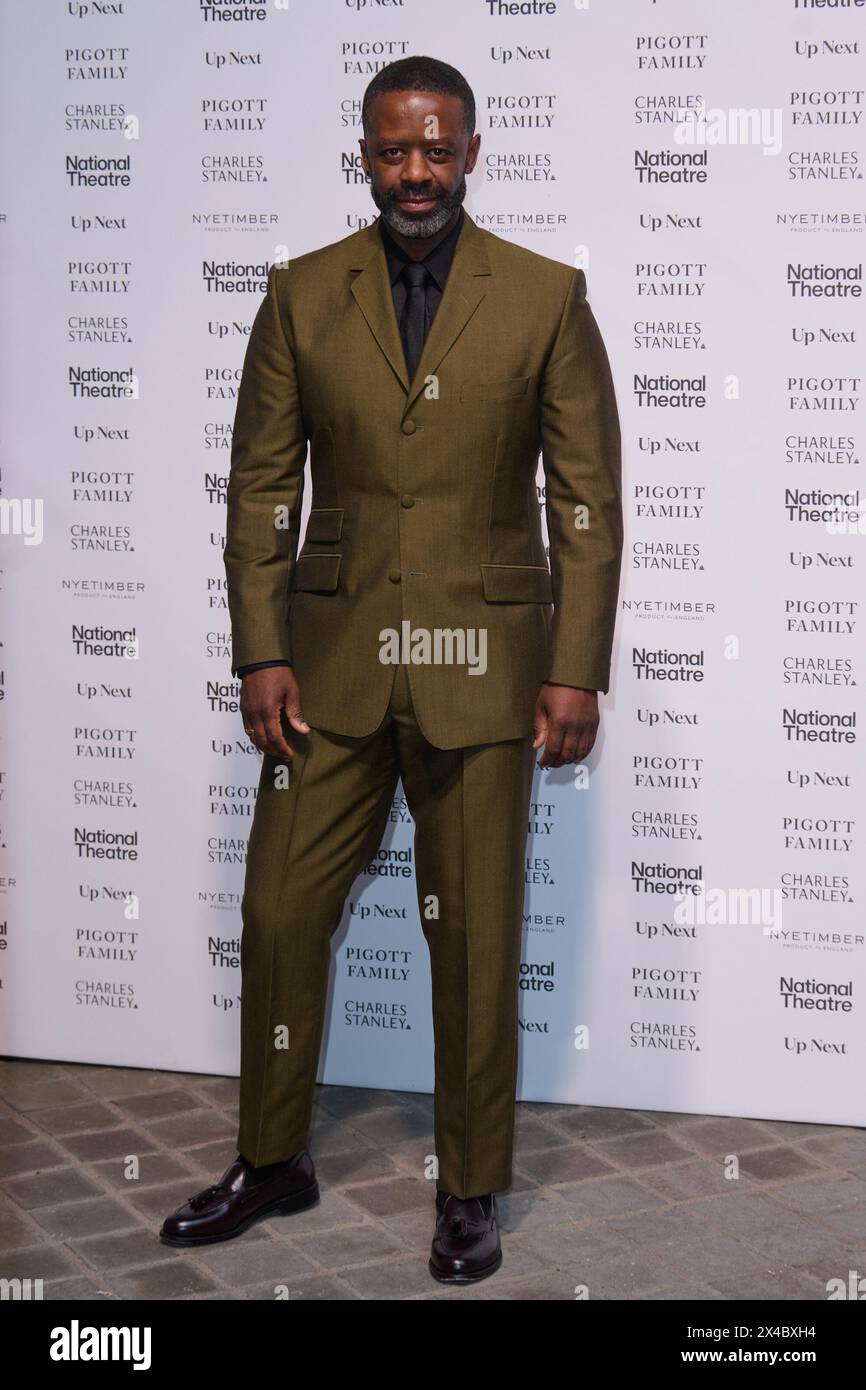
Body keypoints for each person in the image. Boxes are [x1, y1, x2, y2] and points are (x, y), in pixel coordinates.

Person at [160, 54, 623, 1286]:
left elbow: (584, 501)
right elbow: (262, 483)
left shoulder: (542, 296)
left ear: (472, 152)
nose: (413, 171)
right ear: (362, 155)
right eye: (390, 149)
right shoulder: (303, 293)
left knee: (472, 937)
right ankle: (273, 1158)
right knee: (278, 911)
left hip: (484, 668)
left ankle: (467, 1187)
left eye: (435, 147)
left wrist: (573, 669)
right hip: (330, 667)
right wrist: (259, 644)